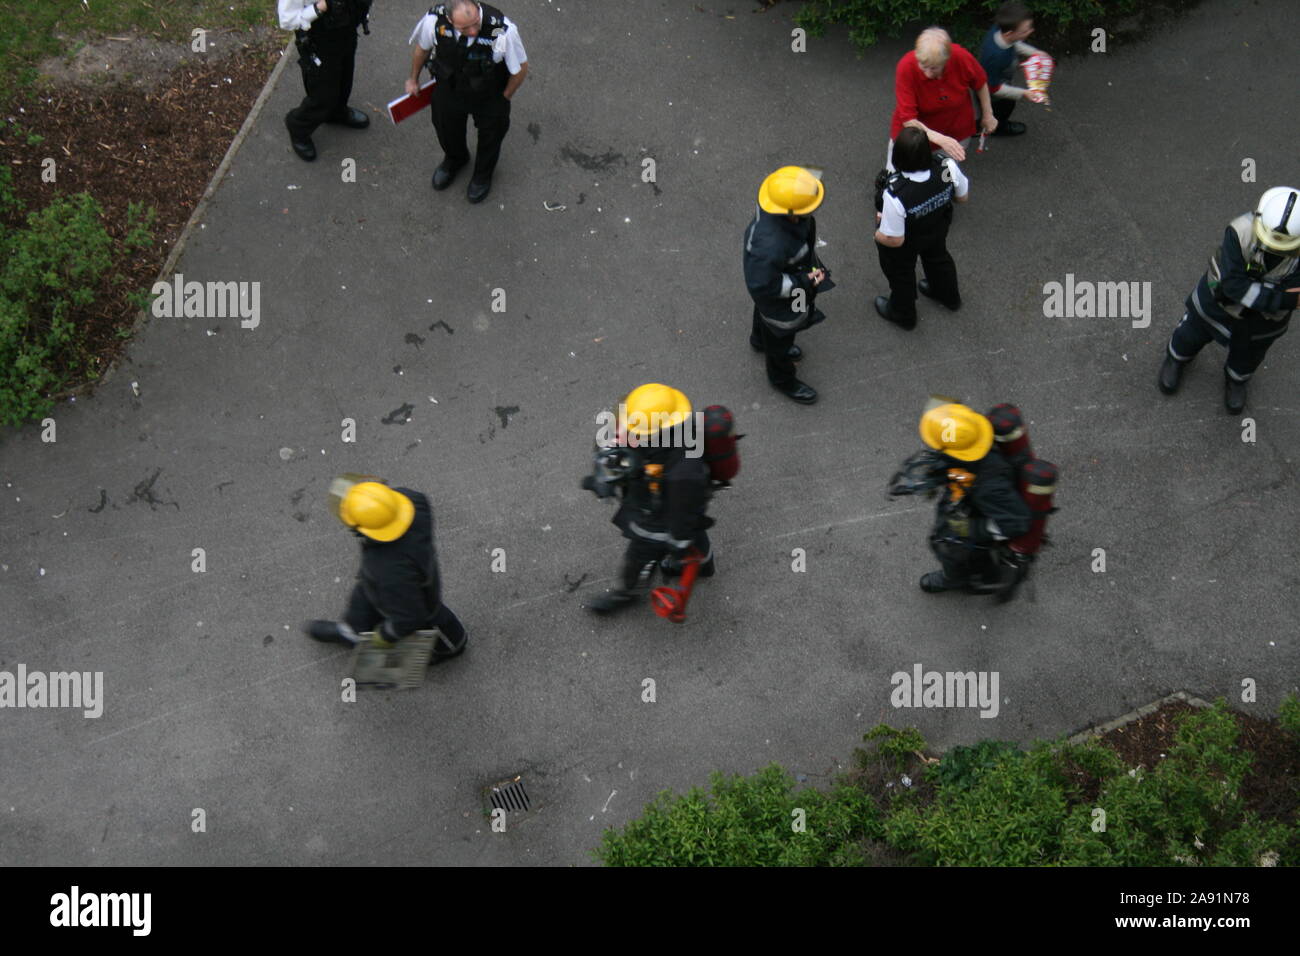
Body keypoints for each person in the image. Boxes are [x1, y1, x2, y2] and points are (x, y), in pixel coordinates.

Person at [1158, 186, 1300, 413]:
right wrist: (1281, 299)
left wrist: (1264, 295)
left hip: (1262, 323)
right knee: (1190, 334)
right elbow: (1233, 286)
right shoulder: (1239, 231)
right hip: (1216, 303)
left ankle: (1237, 380)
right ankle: (1176, 358)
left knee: (1249, 355)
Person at [583, 384, 716, 614]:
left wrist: (677, 542)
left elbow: (682, 509)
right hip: (681, 508)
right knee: (696, 533)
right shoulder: (672, 429)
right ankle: (705, 565)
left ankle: (627, 592)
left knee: (638, 556)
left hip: (660, 520)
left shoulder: (683, 469)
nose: (623, 430)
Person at [305, 478, 468, 662]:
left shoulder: (386, 568)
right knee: (363, 601)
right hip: (391, 582)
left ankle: (451, 646)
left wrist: (385, 635)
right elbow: (385, 501)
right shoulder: (415, 502)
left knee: (427, 620)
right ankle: (351, 631)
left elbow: (410, 617)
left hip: (415, 601)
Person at [407, 0, 529, 203]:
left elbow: (520, 68)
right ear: (449, 19)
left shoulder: (502, 29)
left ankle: (482, 175)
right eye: (464, 28)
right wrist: (413, 79)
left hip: (489, 93)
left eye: (476, 24)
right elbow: (422, 49)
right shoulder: (435, 22)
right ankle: (455, 159)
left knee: (492, 135)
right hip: (450, 87)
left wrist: (505, 97)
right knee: (446, 127)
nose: (473, 31)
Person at [914, 403, 1030, 594]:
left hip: (975, 521)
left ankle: (960, 579)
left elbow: (1015, 523)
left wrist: (967, 527)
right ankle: (982, 575)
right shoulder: (976, 442)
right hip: (968, 503)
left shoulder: (990, 486)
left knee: (955, 551)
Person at [743, 166, 829, 405]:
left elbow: (808, 181)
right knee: (781, 333)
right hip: (780, 296)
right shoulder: (771, 245)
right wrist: (803, 282)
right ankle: (781, 378)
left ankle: (759, 340)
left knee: (764, 316)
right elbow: (763, 285)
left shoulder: (779, 201)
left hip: (782, 280)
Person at [874, 127, 968, 330]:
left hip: (908, 241)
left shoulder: (896, 192)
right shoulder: (946, 166)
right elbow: (962, 197)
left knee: (902, 274)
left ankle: (903, 314)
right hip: (937, 228)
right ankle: (948, 296)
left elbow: (894, 239)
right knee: (938, 258)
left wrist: (877, 233)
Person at [889, 27, 996, 167]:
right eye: (923, 65)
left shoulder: (961, 57)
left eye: (933, 68)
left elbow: (980, 83)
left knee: (945, 175)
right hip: (914, 139)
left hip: (956, 131)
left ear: (946, 60)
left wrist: (988, 115)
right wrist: (940, 139)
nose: (927, 73)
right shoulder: (906, 67)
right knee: (899, 173)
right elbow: (909, 120)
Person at [279, 0, 372, 162]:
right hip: (319, 37)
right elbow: (287, 20)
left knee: (345, 77)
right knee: (323, 93)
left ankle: (336, 112)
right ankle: (298, 126)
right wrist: (320, 7)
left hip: (346, 27)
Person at [977, 2, 1048, 138]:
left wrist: (1034, 53)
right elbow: (993, 88)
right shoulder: (996, 57)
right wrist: (1023, 93)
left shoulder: (999, 30)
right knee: (1003, 108)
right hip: (995, 91)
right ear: (1010, 33)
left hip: (996, 78)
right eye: (1025, 31)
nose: (1030, 31)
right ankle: (998, 127)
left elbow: (1014, 43)